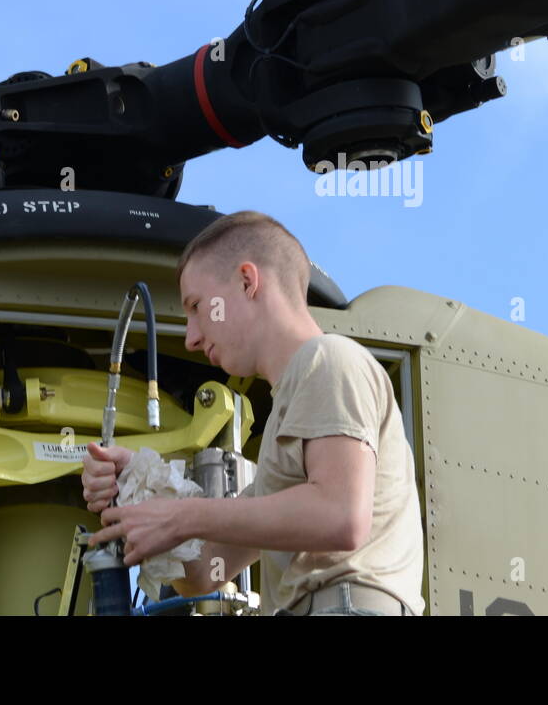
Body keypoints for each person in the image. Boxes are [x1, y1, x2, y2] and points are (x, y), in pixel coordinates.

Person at [83, 210, 425, 616]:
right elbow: (204, 574)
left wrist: (184, 514)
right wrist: (139, 480)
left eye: (196, 306)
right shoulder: (292, 413)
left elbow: (341, 515)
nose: (191, 338)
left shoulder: (329, 359)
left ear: (247, 281)